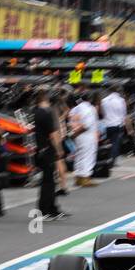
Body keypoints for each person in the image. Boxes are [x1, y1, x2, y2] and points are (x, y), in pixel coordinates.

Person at [31, 90, 67, 220]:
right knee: (48, 182)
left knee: (49, 181)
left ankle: (50, 208)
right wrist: (58, 149)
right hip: (47, 150)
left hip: (42, 150)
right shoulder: (45, 114)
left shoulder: (36, 112)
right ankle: (46, 209)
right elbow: (53, 134)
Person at [68, 92, 100, 188]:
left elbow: (70, 122)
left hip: (77, 136)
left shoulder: (75, 109)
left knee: (79, 155)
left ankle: (78, 177)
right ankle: (85, 178)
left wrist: (74, 133)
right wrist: (77, 132)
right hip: (87, 135)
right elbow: (86, 125)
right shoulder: (90, 109)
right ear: (89, 99)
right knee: (88, 156)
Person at [100, 87, 126, 169]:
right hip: (117, 124)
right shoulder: (121, 100)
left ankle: (106, 158)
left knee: (107, 143)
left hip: (107, 124)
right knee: (115, 143)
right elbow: (123, 113)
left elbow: (102, 113)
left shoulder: (104, 100)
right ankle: (112, 160)